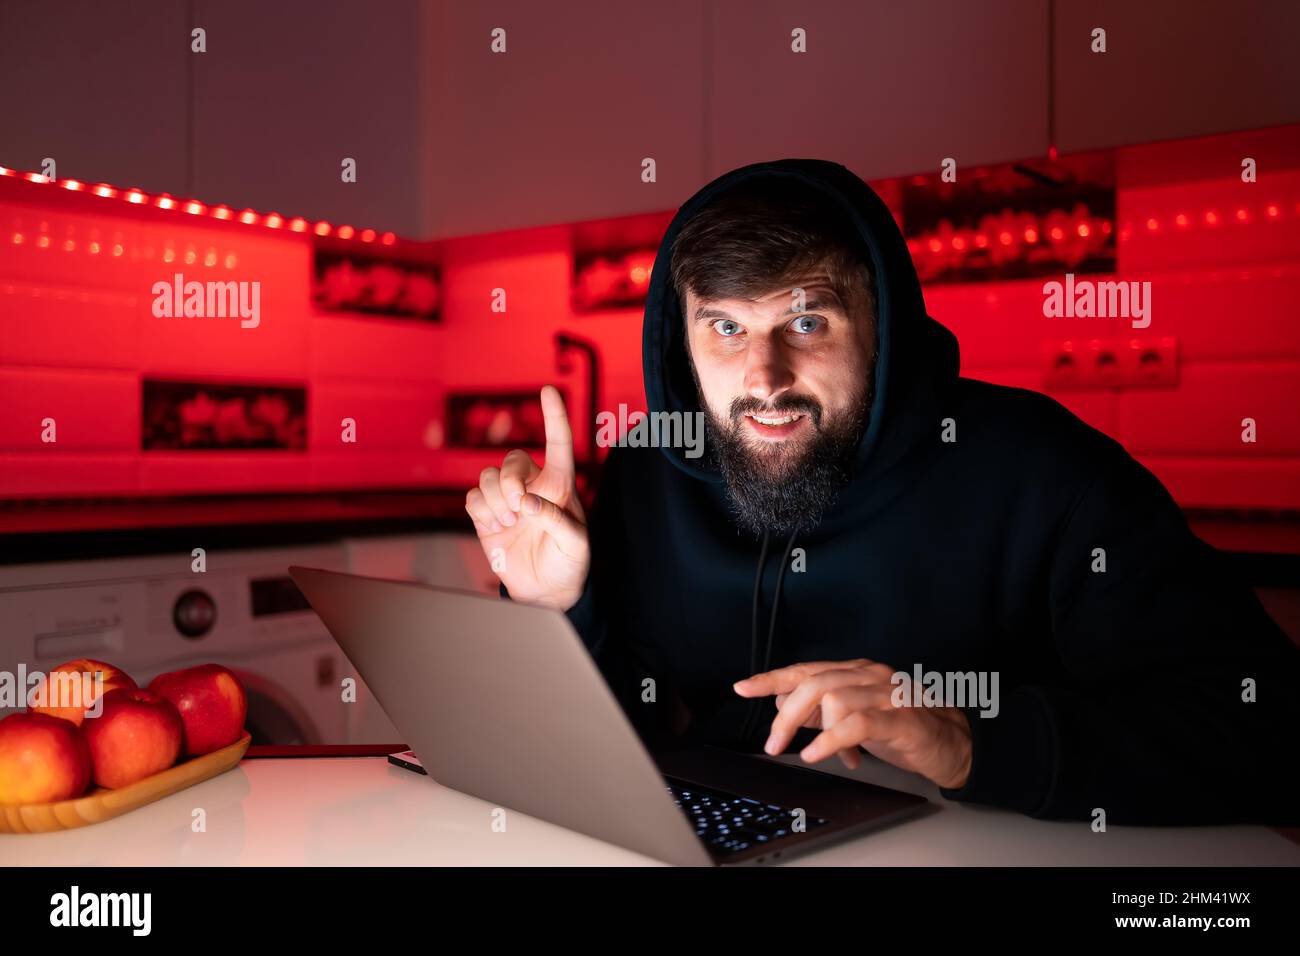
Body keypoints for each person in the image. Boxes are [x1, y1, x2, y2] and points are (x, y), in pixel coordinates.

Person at [465, 159, 1300, 825]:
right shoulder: (652, 470)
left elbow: (1266, 727)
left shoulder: (1046, 473)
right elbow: (628, 741)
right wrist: (559, 605)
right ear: (681, 341)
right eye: (724, 327)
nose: (764, 378)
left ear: (883, 323)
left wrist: (971, 741)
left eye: (806, 322)